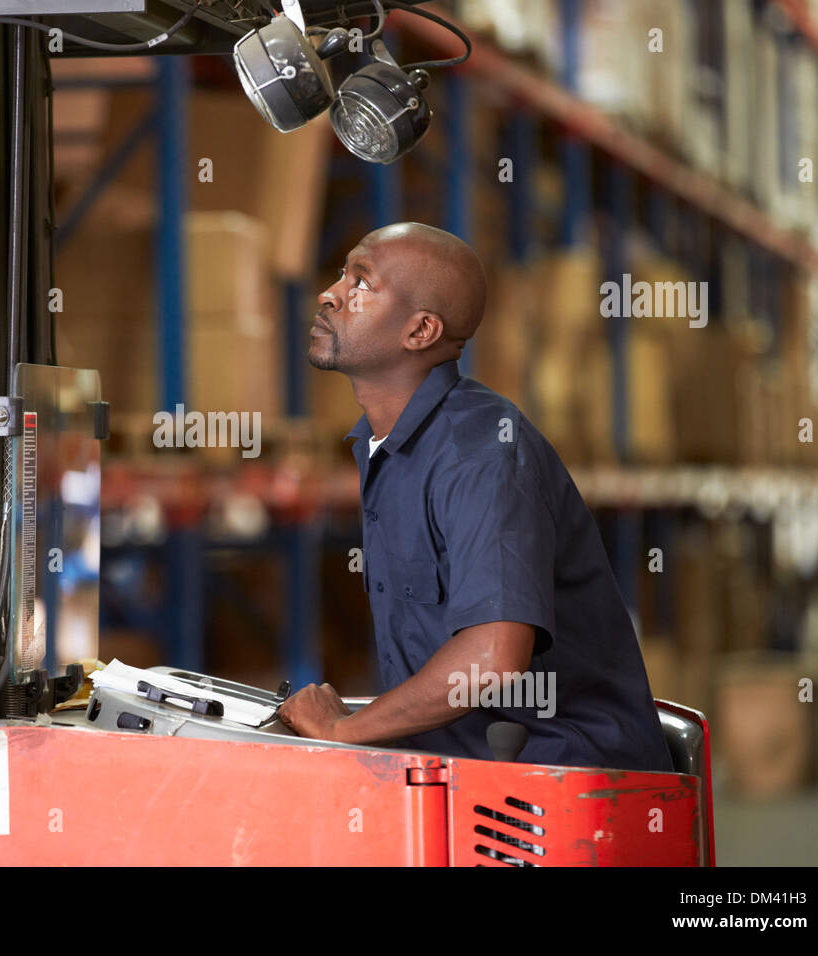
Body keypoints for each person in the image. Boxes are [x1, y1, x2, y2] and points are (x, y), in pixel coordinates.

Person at [277, 222, 673, 772]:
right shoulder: (384, 448)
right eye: (342, 273)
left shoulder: (480, 453)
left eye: (361, 282)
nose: (330, 292)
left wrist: (347, 729)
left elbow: (492, 659)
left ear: (420, 331)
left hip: (562, 787)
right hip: (464, 774)